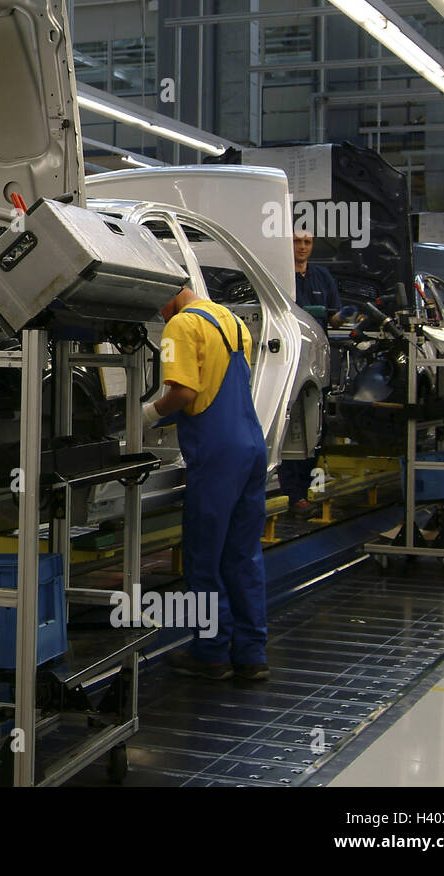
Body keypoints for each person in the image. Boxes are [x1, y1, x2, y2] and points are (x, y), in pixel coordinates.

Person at [143, 283, 270, 681]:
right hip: (251, 445)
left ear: (169, 293)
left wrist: (147, 415)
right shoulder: (231, 319)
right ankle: (251, 656)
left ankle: (212, 653)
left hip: (217, 455)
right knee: (244, 555)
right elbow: (220, 383)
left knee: (204, 557)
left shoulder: (181, 325)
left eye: (156, 307)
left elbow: (184, 391)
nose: (159, 315)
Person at [279, 229, 355, 512]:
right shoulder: (282, 275)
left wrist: (344, 315)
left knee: (314, 428)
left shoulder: (322, 277)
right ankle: (292, 493)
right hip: (290, 361)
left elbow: (334, 319)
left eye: (307, 242)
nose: (301, 246)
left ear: (312, 246)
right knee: (292, 429)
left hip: (317, 360)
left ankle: (309, 490)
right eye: (297, 241)